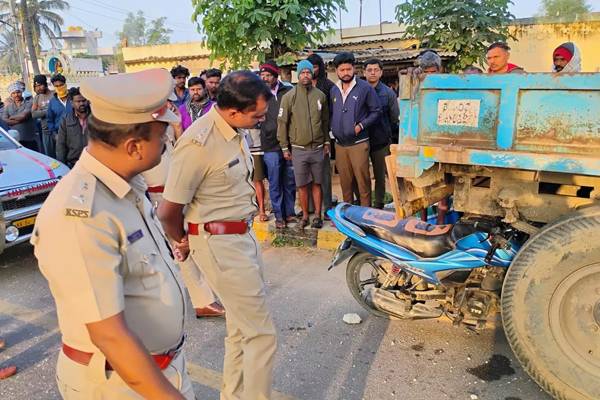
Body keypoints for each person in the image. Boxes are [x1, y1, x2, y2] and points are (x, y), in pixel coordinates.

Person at [31, 69, 194, 399]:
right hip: (117, 384)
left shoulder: (125, 184)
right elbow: (110, 336)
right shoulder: (82, 214)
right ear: (134, 147)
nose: (167, 142)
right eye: (161, 136)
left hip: (158, 371)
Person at [158, 71, 276, 400]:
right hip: (218, 244)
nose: (263, 118)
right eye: (258, 114)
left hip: (242, 237)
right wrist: (182, 240)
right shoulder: (198, 143)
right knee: (260, 335)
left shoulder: (235, 131)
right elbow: (168, 210)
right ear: (234, 111)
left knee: (241, 330)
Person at [142, 99, 225, 319]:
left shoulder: (167, 127)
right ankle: (202, 301)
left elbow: (180, 152)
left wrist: (177, 127)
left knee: (190, 246)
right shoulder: (142, 133)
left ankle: (205, 297)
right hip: (157, 199)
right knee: (181, 249)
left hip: (179, 194)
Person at [278, 60, 330, 229]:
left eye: (308, 72)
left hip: (317, 149)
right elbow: (282, 123)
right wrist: (285, 147)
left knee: (317, 183)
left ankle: (317, 216)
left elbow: (325, 121)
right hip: (298, 149)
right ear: (298, 75)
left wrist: (327, 142)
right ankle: (305, 216)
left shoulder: (320, 95)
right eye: (302, 73)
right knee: (301, 184)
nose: (305, 75)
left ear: (312, 74)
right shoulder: (288, 97)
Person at [330, 52, 381, 207]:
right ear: (337, 71)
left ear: (354, 69)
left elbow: (376, 111)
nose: (346, 73)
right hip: (340, 144)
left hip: (359, 143)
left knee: (362, 181)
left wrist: (361, 126)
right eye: (342, 70)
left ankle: (365, 214)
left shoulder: (364, 88)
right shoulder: (334, 90)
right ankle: (348, 214)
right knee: (345, 182)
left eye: (348, 69)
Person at [259, 60, 295, 229]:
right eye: (262, 75)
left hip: (289, 143)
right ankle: (279, 216)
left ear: (276, 76)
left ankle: (289, 214)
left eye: (268, 75)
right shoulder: (258, 95)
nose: (265, 78)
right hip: (270, 145)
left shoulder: (288, 91)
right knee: (274, 182)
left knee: (289, 181)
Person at [363, 58, 400, 209]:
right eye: (369, 70)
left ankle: (378, 205)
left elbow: (394, 117)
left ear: (381, 72)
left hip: (381, 141)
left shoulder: (388, 93)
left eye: (376, 70)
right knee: (362, 175)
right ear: (364, 72)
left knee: (380, 176)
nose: (373, 73)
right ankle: (362, 204)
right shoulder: (358, 91)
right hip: (362, 140)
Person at [307, 53, 336, 217]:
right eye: (309, 68)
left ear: (320, 67)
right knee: (307, 175)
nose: (312, 71)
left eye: (315, 67)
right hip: (304, 140)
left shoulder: (328, 86)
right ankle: (311, 207)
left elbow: (332, 112)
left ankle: (327, 208)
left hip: (323, 137)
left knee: (324, 174)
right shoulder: (301, 86)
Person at [55, 87, 90, 168]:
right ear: (72, 103)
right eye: (78, 101)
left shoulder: (95, 118)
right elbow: (61, 144)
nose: (81, 103)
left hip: (93, 163)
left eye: (84, 100)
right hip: (73, 164)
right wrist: (62, 166)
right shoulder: (66, 119)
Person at [2, 82, 37, 151]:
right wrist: (20, 119)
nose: (16, 95)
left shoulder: (29, 103)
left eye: (18, 92)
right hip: (15, 141)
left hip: (29, 139)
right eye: (13, 93)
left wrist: (11, 118)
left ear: (21, 92)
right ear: (11, 95)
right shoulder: (8, 107)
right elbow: (4, 120)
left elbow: (23, 116)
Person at [243, 127, 268, 222]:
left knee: (271, 180)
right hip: (250, 148)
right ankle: (261, 210)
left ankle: (267, 210)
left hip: (265, 146)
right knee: (256, 180)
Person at [47, 74, 72, 158]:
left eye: (61, 85)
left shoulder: (73, 99)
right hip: (60, 135)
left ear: (65, 84)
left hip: (75, 134)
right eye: (56, 86)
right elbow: (50, 121)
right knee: (62, 159)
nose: (59, 87)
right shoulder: (52, 102)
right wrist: (55, 135)